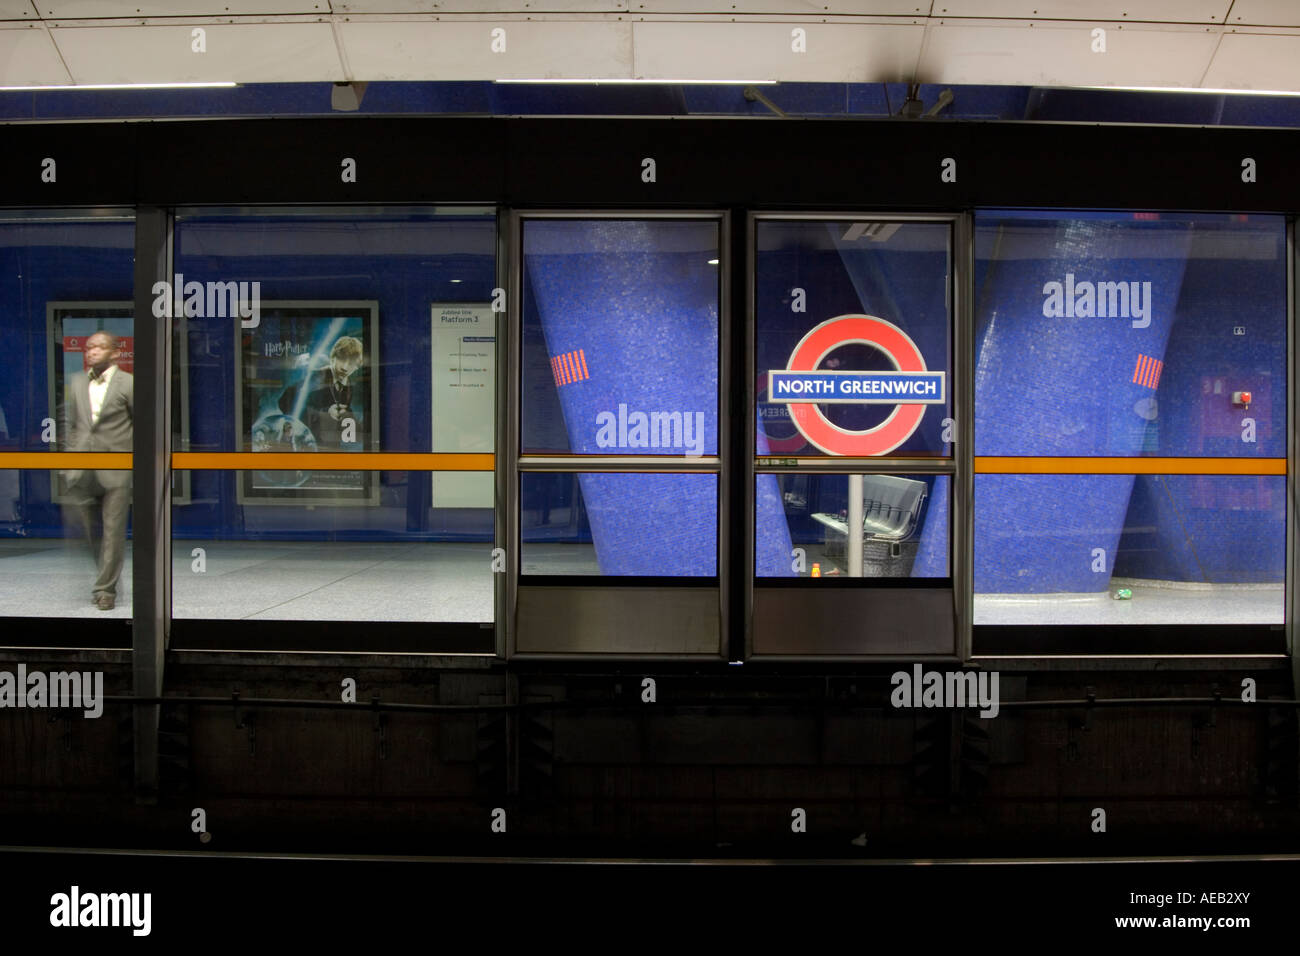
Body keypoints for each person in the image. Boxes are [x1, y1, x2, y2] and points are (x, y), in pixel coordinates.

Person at [62, 331, 134, 611]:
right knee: (91, 533)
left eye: (99, 347)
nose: (92, 351)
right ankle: (106, 577)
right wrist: (69, 461)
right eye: (89, 347)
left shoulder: (129, 383)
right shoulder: (77, 382)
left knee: (113, 531)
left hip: (116, 469)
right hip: (82, 469)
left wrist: (132, 460)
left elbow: (142, 424)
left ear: (114, 353)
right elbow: (73, 425)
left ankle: (106, 590)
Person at [277, 335, 365, 449]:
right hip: (308, 445)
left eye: (351, 364)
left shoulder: (347, 384)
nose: (345, 367)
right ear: (333, 357)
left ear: (357, 367)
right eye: (342, 359)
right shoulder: (315, 378)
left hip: (330, 445)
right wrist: (325, 413)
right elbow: (285, 402)